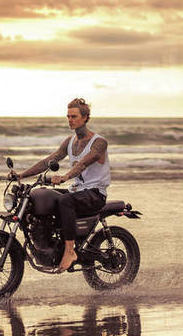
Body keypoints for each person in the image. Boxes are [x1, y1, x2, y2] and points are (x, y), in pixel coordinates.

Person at [11, 98, 110, 272]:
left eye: (74, 116)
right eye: (68, 116)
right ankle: (46, 246)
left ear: (85, 118)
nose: (70, 120)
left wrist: (65, 177)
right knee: (41, 197)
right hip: (78, 191)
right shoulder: (69, 142)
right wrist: (22, 175)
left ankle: (70, 251)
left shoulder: (99, 142)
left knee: (65, 201)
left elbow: (83, 164)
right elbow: (48, 161)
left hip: (95, 194)